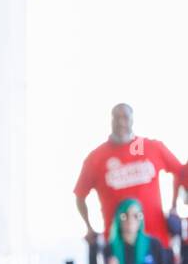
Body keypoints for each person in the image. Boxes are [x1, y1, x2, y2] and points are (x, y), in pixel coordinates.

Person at [75, 103, 180, 246]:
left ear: (132, 120)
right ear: (110, 121)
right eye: (116, 118)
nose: (121, 122)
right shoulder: (95, 158)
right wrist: (89, 227)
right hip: (117, 247)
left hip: (157, 241)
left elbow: (181, 173)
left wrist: (174, 207)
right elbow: (80, 196)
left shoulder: (152, 147)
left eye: (125, 117)